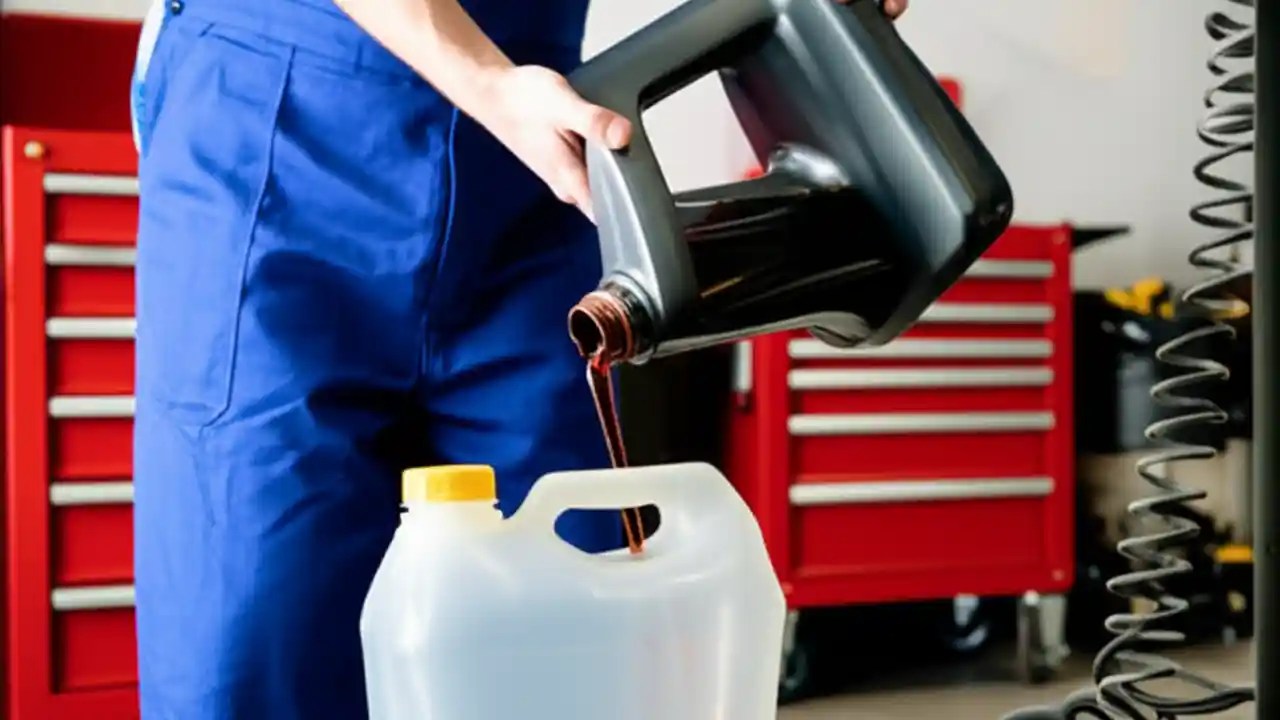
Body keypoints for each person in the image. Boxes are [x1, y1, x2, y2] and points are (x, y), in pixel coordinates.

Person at [128, 0, 908, 717]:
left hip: (533, 145)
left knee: (564, 613)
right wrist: (487, 84)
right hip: (283, 121)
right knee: (257, 625)